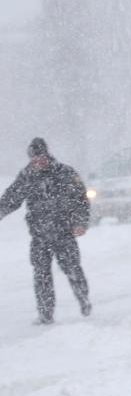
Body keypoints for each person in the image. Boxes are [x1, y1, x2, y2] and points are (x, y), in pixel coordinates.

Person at [0, 138, 92, 324]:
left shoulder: (64, 173)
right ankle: (45, 314)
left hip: (64, 232)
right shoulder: (27, 176)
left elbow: (80, 198)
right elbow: (12, 198)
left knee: (72, 269)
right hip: (39, 236)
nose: (38, 161)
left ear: (47, 155)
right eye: (34, 159)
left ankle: (84, 300)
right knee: (41, 275)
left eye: (41, 157)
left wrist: (80, 222)